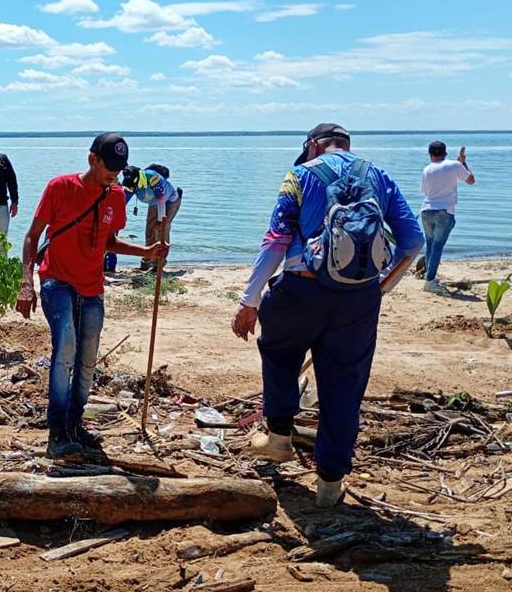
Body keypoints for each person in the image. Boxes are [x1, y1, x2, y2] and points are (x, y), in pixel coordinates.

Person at [230, 123, 424, 508]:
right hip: (358, 299)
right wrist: (381, 286)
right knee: (345, 384)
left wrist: (249, 299)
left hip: (300, 289)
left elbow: (277, 240)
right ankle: (330, 484)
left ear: (313, 146)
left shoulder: (300, 175)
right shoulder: (378, 176)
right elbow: (413, 241)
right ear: (347, 146)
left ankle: (280, 437)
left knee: (280, 354)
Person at [16, 133, 169, 460]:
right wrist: (26, 283)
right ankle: (57, 432)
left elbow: (106, 241)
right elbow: (31, 237)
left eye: (119, 167)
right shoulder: (60, 187)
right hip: (57, 281)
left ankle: (75, 423)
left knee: (87, 358)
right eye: (108, 166)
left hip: (92, 287)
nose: (114, 174)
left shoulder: (115, 195)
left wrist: (145, 251)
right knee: (66, 347)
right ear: (92, 159)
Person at [418, 140, 476, 292]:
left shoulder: (426, 169)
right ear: (445, 153)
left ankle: (429, 278)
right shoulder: (453, 165)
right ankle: (430, 281)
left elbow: (425, 191)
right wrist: (463, 163)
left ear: (430, 154)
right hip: (444, 211)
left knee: (430, 244)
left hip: (426, 209)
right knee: (437, 246)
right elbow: (471, 180)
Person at [122, 163, 182, 272]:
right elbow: (123, 201)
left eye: (132, 186)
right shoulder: (129, 182)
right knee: (150, 231)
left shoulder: (153, 177)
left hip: (170, 201)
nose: (131, 188)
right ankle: (146, 261)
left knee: (161, 231)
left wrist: (160, 221)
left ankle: (158, 264)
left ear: (137, 179)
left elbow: (161, 199)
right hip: (155, 203)